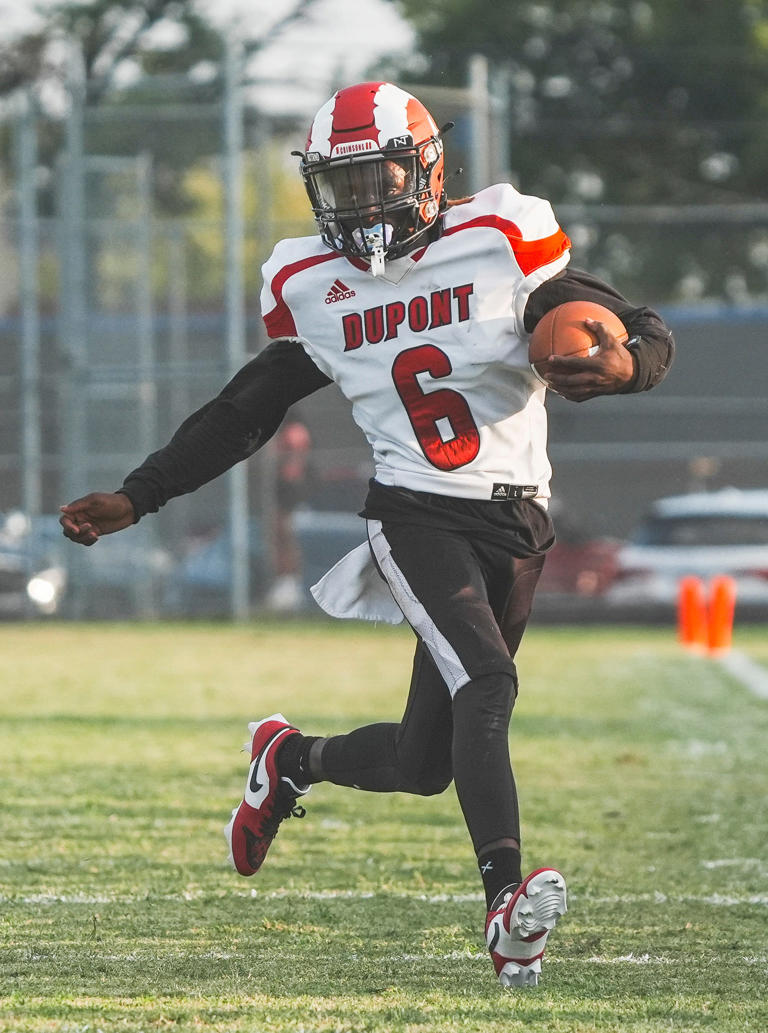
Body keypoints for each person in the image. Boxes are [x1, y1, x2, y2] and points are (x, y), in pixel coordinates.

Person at [60, 80, 674, 989]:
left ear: (425, 171)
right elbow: (245, 412)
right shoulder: (314, 284)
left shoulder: (502, 237)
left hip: (519, 520)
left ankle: (289, 758)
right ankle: (507, 908)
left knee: (425, 761)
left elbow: (640, 329)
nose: (361, 206)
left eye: (376, 179)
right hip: (416, 510)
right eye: (339, 188)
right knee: (489, 681)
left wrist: (626, 367)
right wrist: (140, 493)